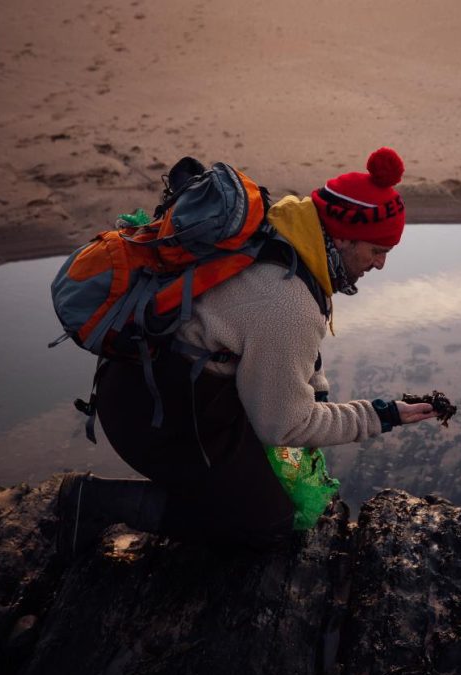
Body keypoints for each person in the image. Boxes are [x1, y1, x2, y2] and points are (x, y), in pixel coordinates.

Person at [57, 147, 436, 554]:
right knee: (266, 522)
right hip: (157, 419)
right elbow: (284, 425)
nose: (380, 264)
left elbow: (286, 348)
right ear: (341, 237)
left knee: (260, 477)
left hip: (139, 383)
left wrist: (317, 391)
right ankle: (91, 502)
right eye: (377, 251)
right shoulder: (287, 301)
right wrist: (380, 415)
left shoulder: (285, 233)